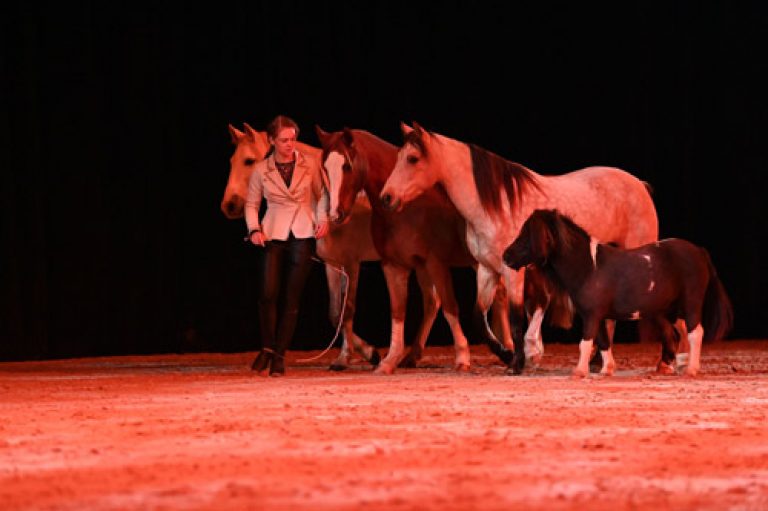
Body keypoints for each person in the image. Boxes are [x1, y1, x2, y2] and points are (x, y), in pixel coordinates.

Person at [245, 115, 330, 376]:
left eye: (292, 139)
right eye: (283, 140)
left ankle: (279, 355)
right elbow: (252, 204)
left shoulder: (310, 164)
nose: (289, 144)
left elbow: (322, 194)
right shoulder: (261, 169)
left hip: (303, 231)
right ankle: (268, 347)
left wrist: (323, 217)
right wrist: (254, 228)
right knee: (268, 293)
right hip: (273, 231)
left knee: (292, 297)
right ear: (271, 141)